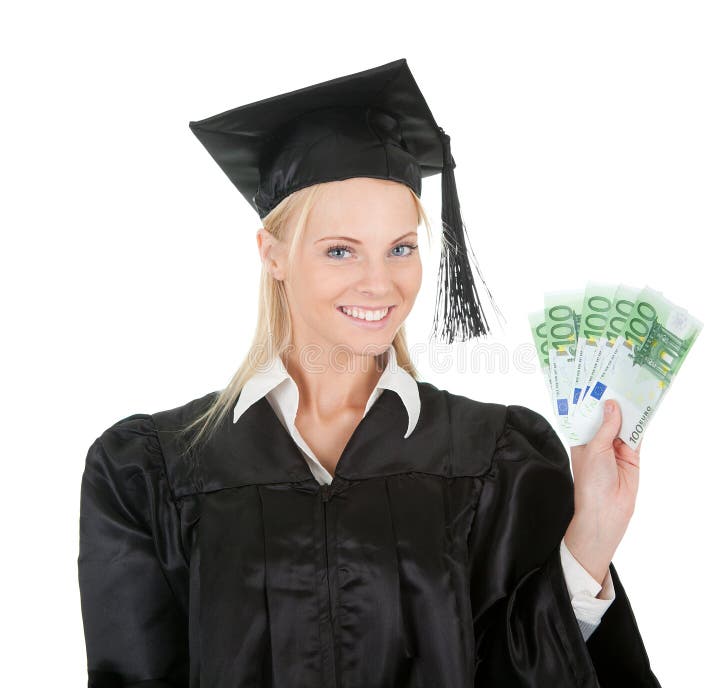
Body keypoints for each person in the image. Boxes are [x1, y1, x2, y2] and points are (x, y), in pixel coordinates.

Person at [77, 58, 661, 687]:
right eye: (339, 250)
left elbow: (523, 674)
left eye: (401, 248)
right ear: (272, 253)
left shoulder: (498, 458)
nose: (380, 283)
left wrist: (590, 541)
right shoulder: (151, 471)